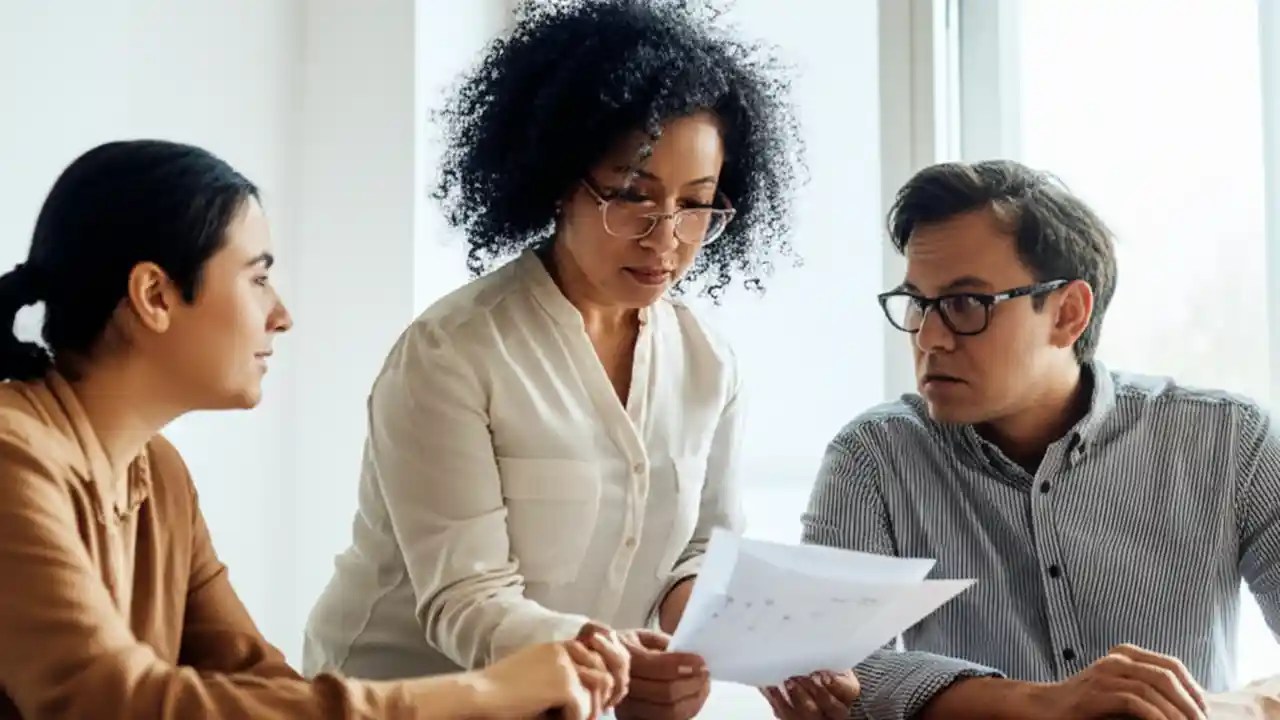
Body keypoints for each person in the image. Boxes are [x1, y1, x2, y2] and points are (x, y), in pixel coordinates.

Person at [302, 1, 857, 718]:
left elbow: (695, 555)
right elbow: (466, 600)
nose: (666, 238)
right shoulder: (454, 353)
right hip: (396, 698)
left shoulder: (707, 364)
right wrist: (618, 660)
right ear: (559, 182)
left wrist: (747, 652)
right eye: (632, 197)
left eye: (696, 205)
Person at [0, 139, 615, 720]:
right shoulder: (11, 454)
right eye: (257, 278)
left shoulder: (158, 473)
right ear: (155, 295)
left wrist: (507, 698)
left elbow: (262, 683)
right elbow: (109, 702)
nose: (281, 315)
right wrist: (481, 691)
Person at [802, 159, 1280, 720]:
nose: (929, 338)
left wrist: (1206, 709)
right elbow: (831, 665)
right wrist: (1045, 703)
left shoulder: (1229, 440)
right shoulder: (874, 456)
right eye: (918, 304)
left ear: (1068, 314)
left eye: (964, 304)